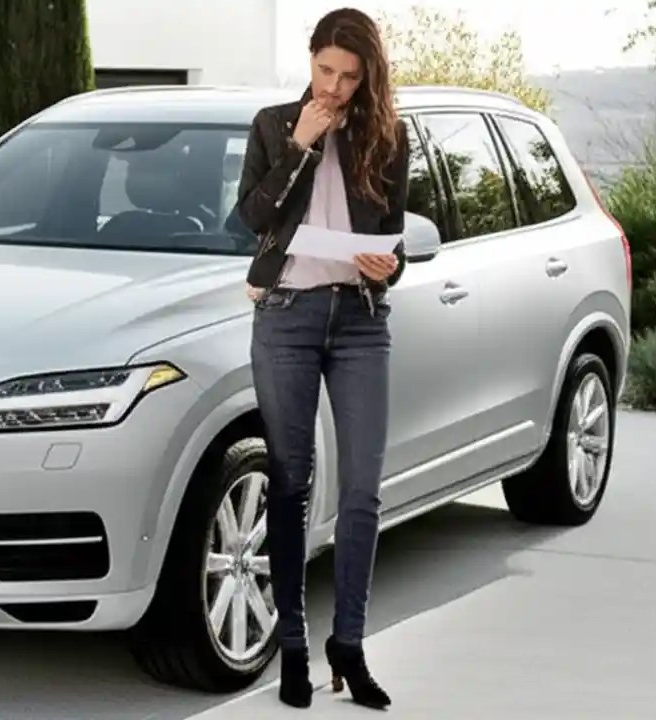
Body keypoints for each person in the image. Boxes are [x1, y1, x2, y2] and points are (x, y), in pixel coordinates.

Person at [235, 7, 409, 711]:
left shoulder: (388, 139)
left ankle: (351, 645)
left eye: (348, 76)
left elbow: (393, 247)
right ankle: (295, 649)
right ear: (309, 61)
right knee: (290, 482)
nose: (334, 88)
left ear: (368, 77)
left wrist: (381, 267)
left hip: (361, 320)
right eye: (324, 71)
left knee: (363, 490)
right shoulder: (274, 124)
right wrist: (302, 145)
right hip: (285, 318)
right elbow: (252, 220)